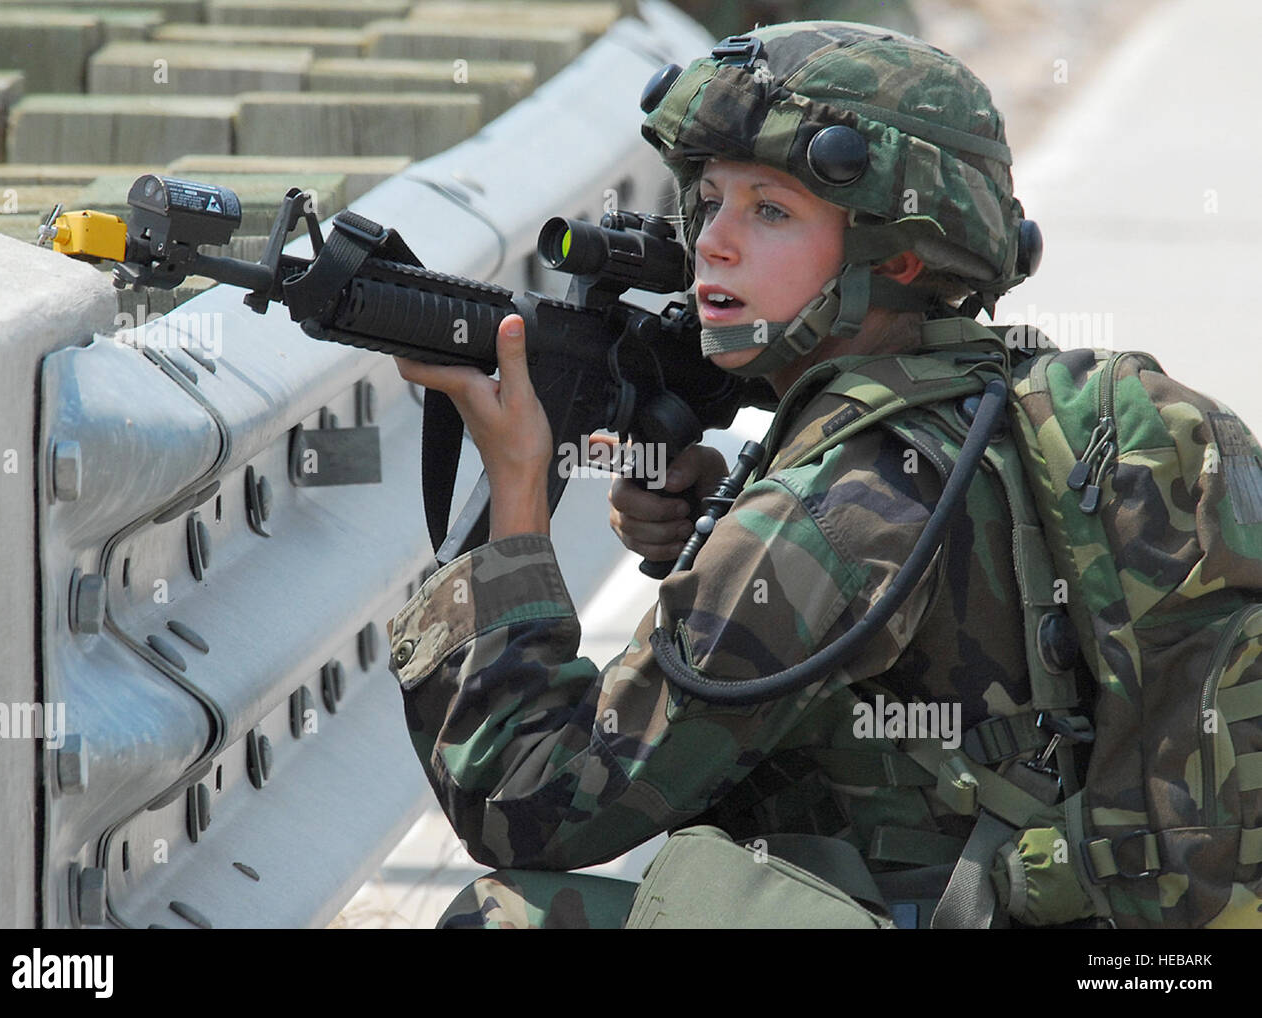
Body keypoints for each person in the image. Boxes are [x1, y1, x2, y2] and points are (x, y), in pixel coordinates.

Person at [389, 20, 1047, 928]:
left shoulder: (832, 511)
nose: (713, 243)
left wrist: (518, 501)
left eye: (770, 210)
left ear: (894, 257)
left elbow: (529, 799)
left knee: (509, 918)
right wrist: (725, 510)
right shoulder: (994, 398)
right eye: (708, 200)